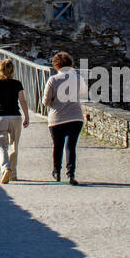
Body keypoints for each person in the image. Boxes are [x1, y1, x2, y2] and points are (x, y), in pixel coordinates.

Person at [42, 51, 86, 184]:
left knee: (57, 145)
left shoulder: (53, 80)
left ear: (56, 65)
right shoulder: (78, 78)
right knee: (70, 146)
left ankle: (56, 171)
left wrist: (54, 105)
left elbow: (45, 101)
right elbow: (83, 94)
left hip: (57, 118)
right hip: (75, 116)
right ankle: (70, 174)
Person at [0, 58, 29, 183]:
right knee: (14, 146)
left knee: (2, 147)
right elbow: (22, 100)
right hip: (15, 116)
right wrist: (26, 116)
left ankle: (6, 168)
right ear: (12, 70)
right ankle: (13, 174)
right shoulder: (17, 84)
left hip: (0, 117)